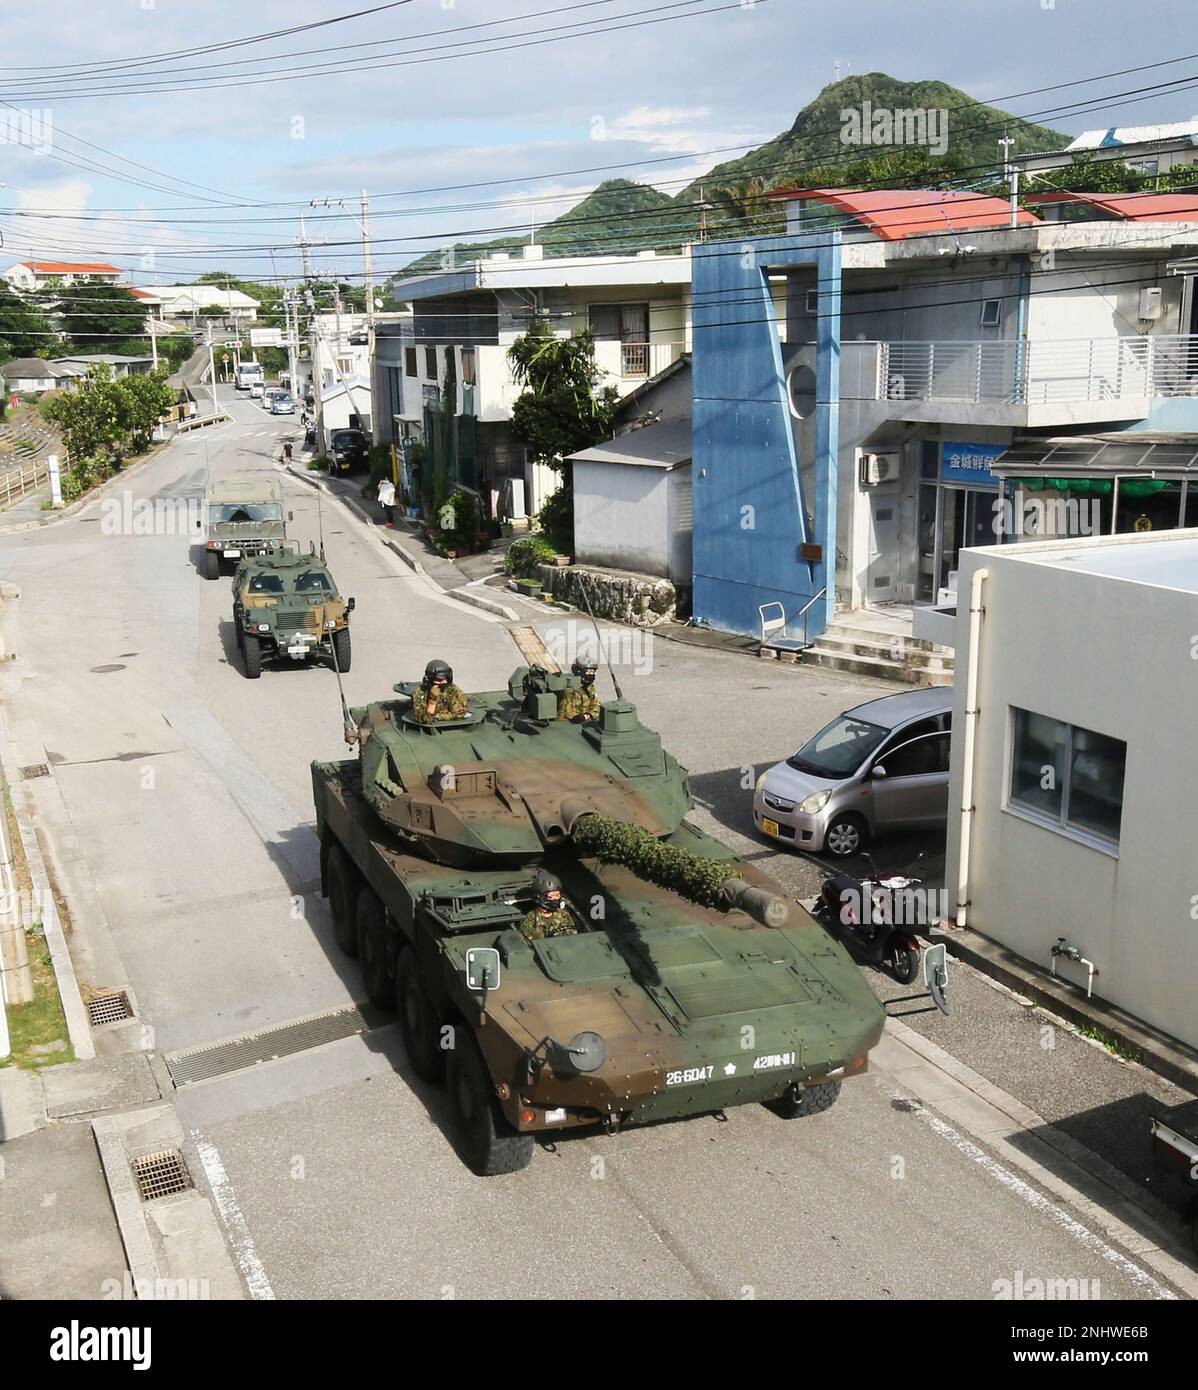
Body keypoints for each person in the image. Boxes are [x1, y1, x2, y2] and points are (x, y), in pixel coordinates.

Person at [518, 869, 577, 942]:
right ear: (541, 897)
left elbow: (573, 938)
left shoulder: (564, 915)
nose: (556, 898)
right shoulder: (530, 920)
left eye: (557, 895)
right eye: (552, 895)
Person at [410, 658, 468, 723]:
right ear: (430, 679)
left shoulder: (452, 690)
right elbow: (425, 719)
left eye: (446, 678)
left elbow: (459, 714)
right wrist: (432, 701)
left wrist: (438, 716)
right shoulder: (420, 692)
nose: (444, 682)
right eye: (439, 680)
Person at [557, 657, 602, 722]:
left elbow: (597, 706)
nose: (591, 674)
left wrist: (588, 715)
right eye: (588, 672)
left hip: (583, 722)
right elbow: (568, 712)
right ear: (578, 671)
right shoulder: (570, 688)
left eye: (593, 672)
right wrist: (582, 717)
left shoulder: (589, 688)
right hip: (566, 724)